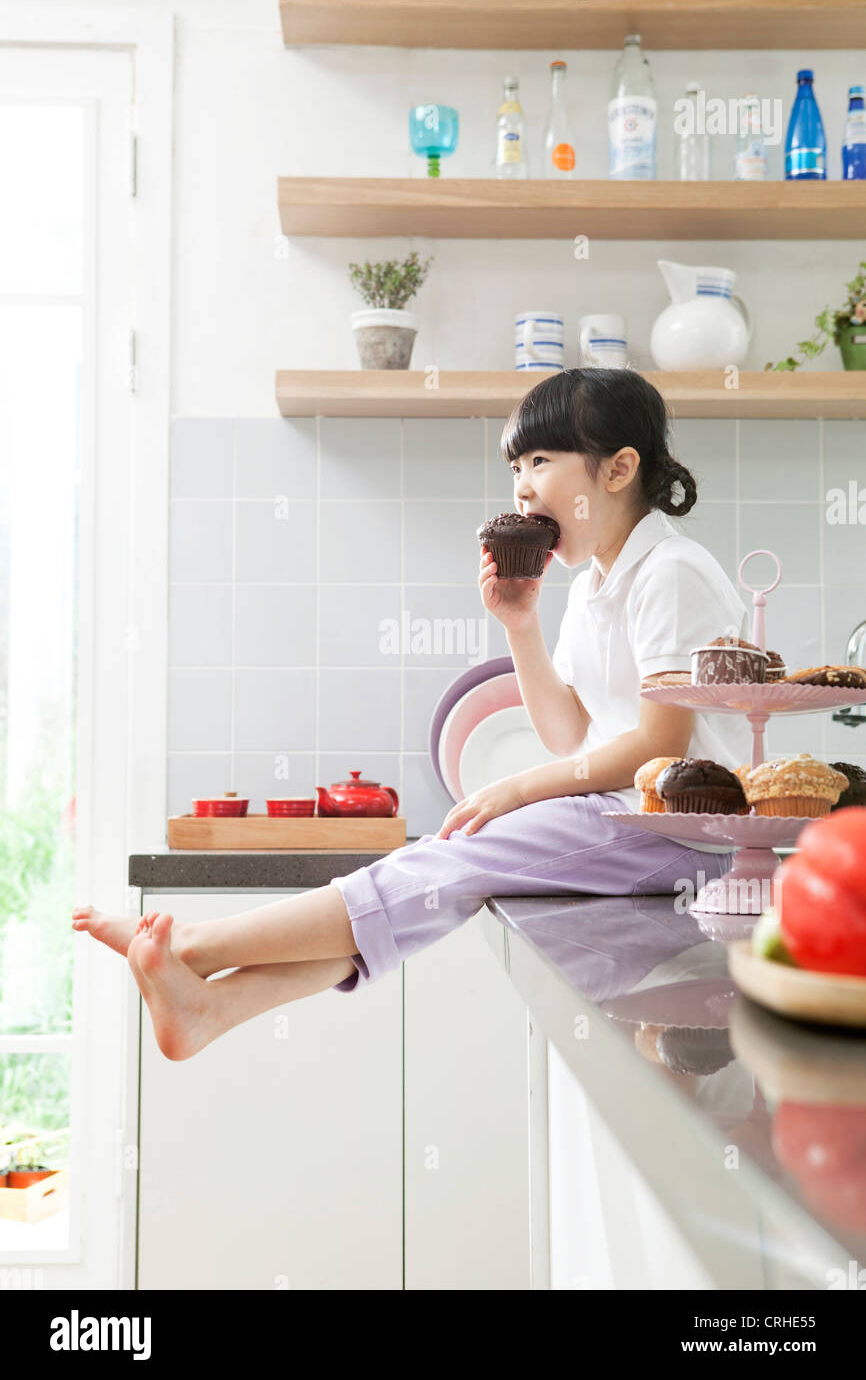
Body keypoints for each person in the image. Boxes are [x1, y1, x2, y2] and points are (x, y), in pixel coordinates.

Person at [73, 367, 750, 1061]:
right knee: (439, 874)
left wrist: (517, 788)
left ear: (619, 469)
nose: (521, 485)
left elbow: (659, 750)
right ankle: (216, 1005)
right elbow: (569, 733)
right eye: (515, 466)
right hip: (626, 818)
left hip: (677, 833)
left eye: (541, 460)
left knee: (449, 860)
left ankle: (194, 945)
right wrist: (520, 623)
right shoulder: (592, 589)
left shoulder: (671, 572)